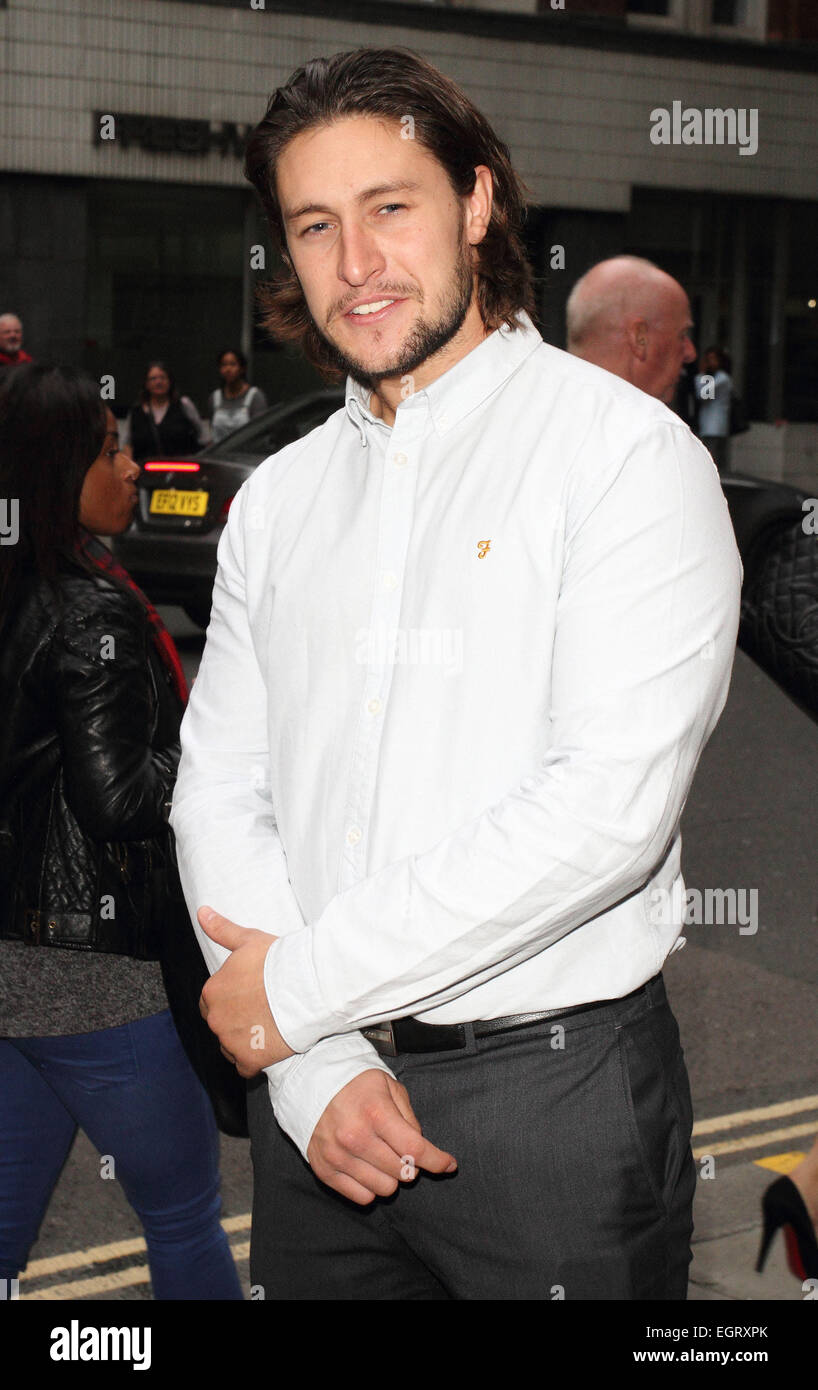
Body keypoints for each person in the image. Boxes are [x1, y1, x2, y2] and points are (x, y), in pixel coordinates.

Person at [170, 47, 742, 1301]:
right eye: (314, 225)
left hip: (555, 1109)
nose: (356, 264)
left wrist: (296, 995)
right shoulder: (277, 501)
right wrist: (309, 1062)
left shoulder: (622, 460)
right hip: (314, 1107)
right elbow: (219, 791)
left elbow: (602, 813)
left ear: (476, 205)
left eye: (391, 208)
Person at [0, 364, 242, 1301]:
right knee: (181, 1217)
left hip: (16, 976)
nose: (134, 467)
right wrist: (220, 763)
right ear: (61, 471)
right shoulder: (88, 605)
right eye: (111, 450)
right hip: (96, 975)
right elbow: (120, 798)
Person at [566, 255, 697, 404]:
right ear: (640, 338)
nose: (690, 353)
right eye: (682, 335)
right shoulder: (656, 426)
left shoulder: (542, 411)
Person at [125, 360, 206, 463]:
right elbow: (128, 445)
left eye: (163, 378)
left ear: (170, 381)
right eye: (153, 379)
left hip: (181, 472)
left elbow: (203, 438)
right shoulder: (136, 412)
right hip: (145, 474)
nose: (158, 382)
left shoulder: (184, 405)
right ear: (146, 384)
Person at [208, 348, 267, 444]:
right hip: (218, 455)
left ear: (242, 368)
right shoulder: (215, 397)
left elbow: (260, 432)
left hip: (245, 453)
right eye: (224, 365)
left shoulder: (254, 396)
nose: (228, 369)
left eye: (232, 364)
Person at [695, 346, 733, 474]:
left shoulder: (722, 378)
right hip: (709, 424)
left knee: (713, 457)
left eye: (713, 359)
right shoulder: (712, 377)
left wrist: (701, 374)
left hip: (714, 425)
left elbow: (704, 395)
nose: (710, 362)